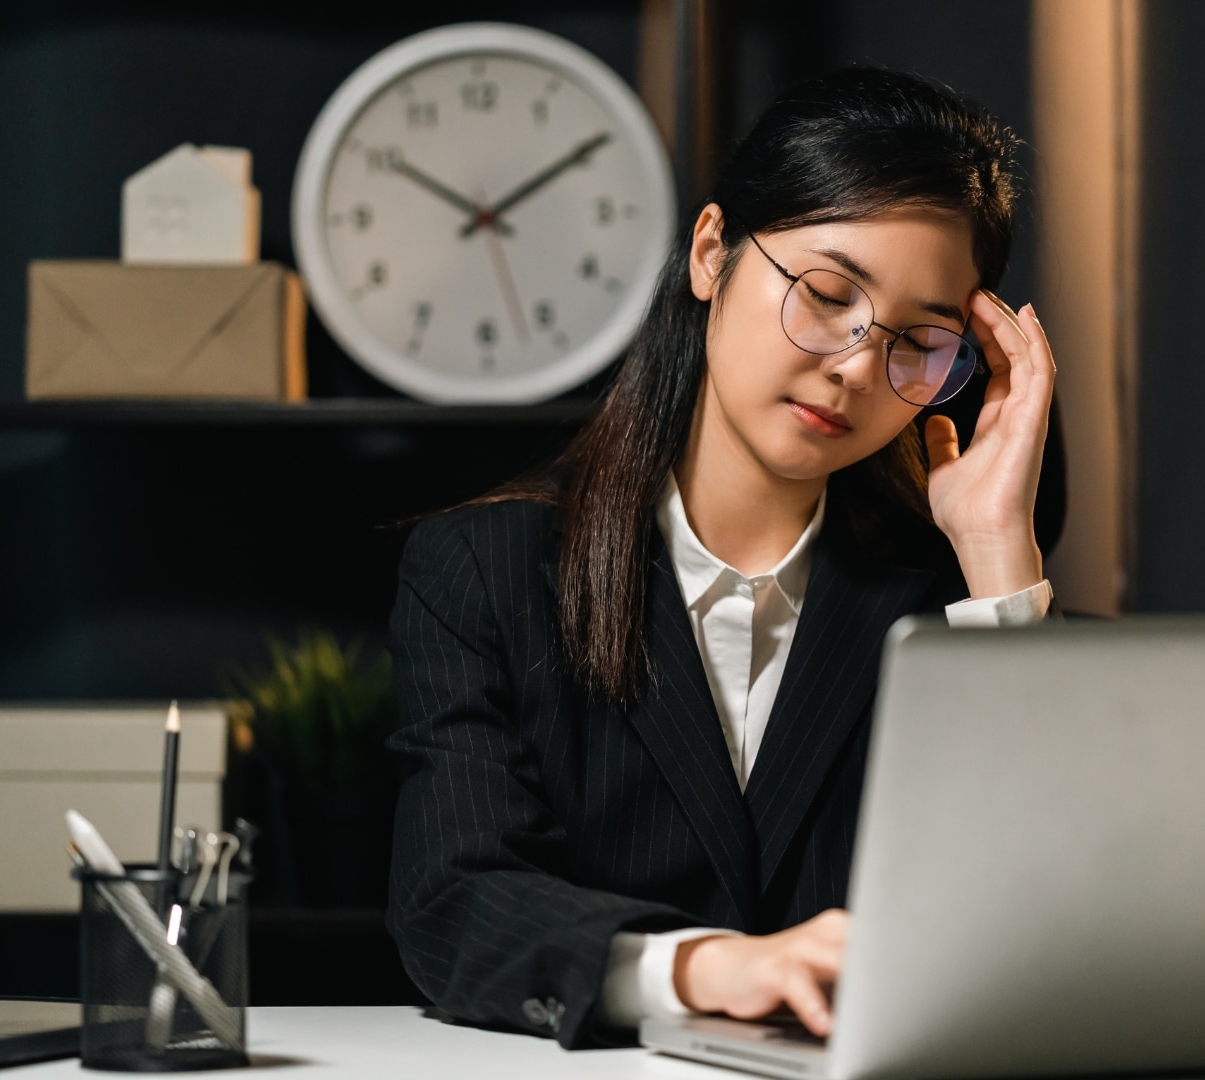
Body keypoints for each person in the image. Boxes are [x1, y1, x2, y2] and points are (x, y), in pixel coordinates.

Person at [385, 65, 1059, 1049]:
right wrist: (704, 968)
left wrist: (999, 548)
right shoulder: (485, 572)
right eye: (828, 294)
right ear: (712, 253)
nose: (858, 368)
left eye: (921, 341)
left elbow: (1052, 914)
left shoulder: (954, 596)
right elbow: (451, 905)